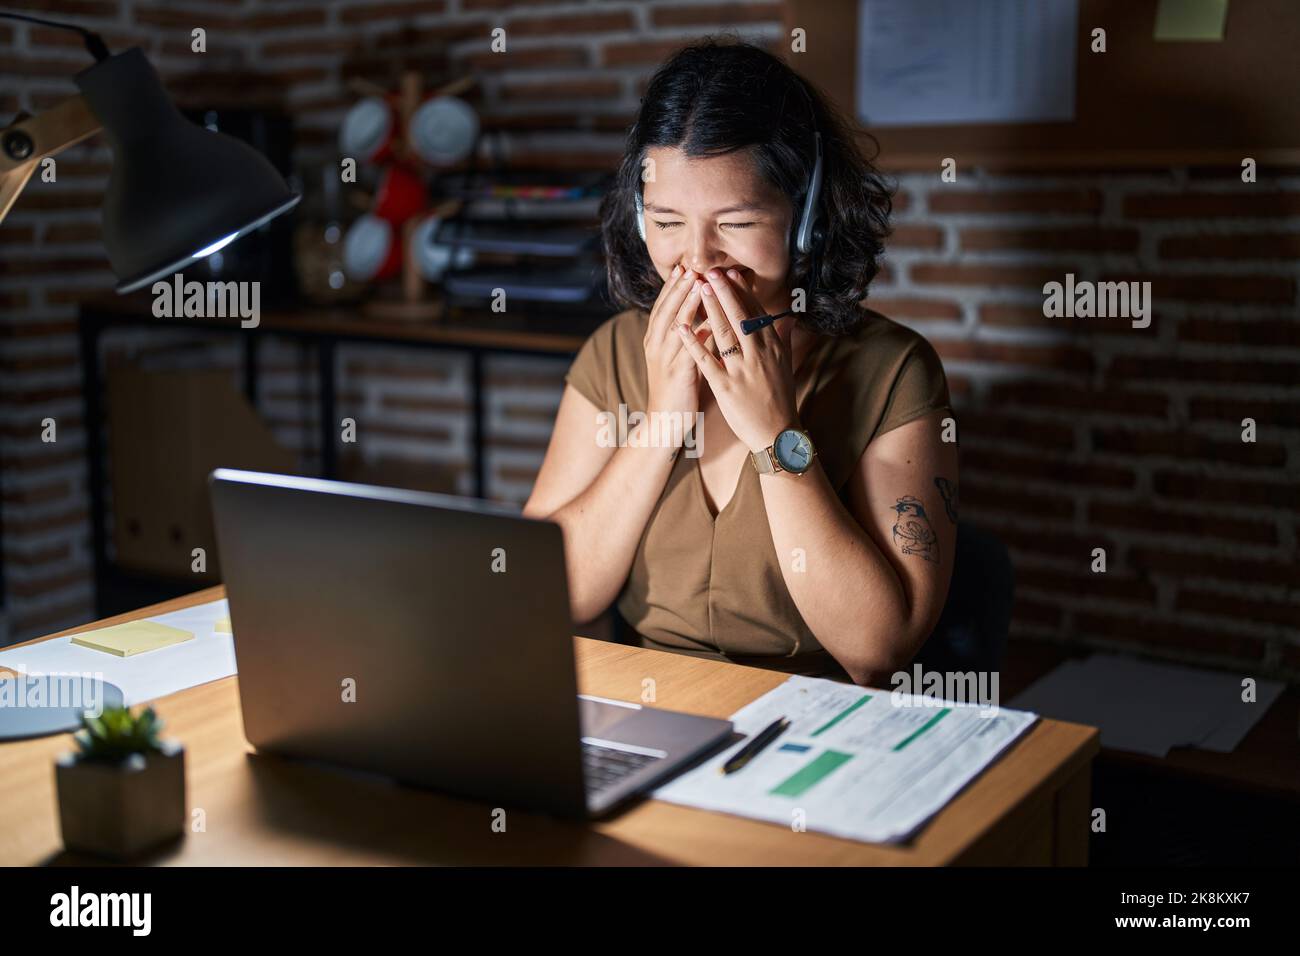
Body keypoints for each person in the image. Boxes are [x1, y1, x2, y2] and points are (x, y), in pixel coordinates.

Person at [523, 38, 958, 687]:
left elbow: (877, 649)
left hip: (814, 724)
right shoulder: (614, 354)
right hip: (653, 709)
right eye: (667, 222)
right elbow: (544, 598)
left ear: (805, 220)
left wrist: (777, 436)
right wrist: (663, 423)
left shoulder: (893, 370)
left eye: (735, 222)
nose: (696, 259)